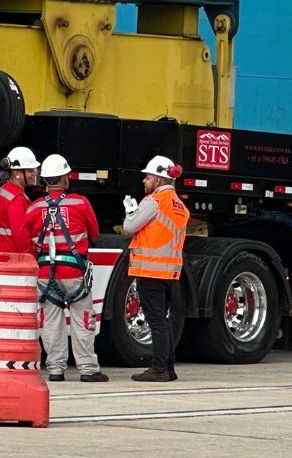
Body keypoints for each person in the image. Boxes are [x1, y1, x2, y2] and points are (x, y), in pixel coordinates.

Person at [29, 153, 108, 382]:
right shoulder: (80, 203)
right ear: (65, 179)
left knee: (50, 321)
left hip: (45, 274)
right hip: (74, 273)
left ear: (45, 181)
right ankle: (88, 369)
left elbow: (27, 238)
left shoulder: (33, 208)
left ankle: (55, 369)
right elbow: (94, 233)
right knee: (82, 319)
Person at [123, 155, 190, 383]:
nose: (144, 180)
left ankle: (159, 368)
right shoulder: (180, 205)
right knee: (164, 320)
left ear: (159, 180)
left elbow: (129, 227)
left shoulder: (153, 201)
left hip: (149, 271)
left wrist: (131, 212)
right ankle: (168, 367)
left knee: (157, 322)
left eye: (148, 176)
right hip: (170, 272)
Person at [0, 147, 40, 254]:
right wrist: (31, 258)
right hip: (15, 261)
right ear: (16, 172)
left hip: (3, 257)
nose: (34, 174)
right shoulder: (18, 199)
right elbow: (22, 239)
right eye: (29, 170)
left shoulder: (1, 192)